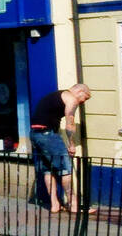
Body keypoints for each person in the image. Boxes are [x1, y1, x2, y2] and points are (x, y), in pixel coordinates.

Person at [29, 83, 90, 213]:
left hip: (35, 134)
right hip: (48, 135)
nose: (82, 102)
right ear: (79, 91)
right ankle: (74, 205)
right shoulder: (71, 99)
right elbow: (70, 123)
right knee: (65, 169)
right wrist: (71, 144)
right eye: (84, 98)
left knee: (48, 169)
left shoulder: (56, 95)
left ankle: (54, 204)